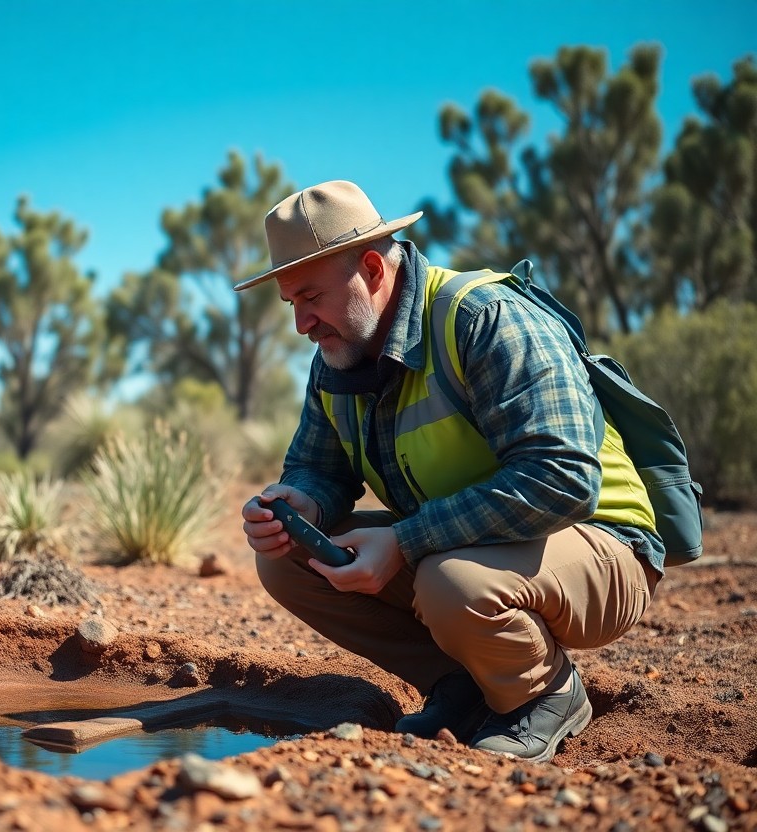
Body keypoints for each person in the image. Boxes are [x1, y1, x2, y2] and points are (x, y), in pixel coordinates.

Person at [238, 180, 663, 763]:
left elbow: (562, 476)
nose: (301, 324)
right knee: (289, 558)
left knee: (451, 584)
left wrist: (405, 542)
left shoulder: (485, 319)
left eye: (311, 297)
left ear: (372, 268)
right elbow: (317, 469)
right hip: (466, 547)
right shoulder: (338, 353)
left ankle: (545, 695)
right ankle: (462, 686)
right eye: (292, 304)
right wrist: (302, 506)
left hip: (604, 545)